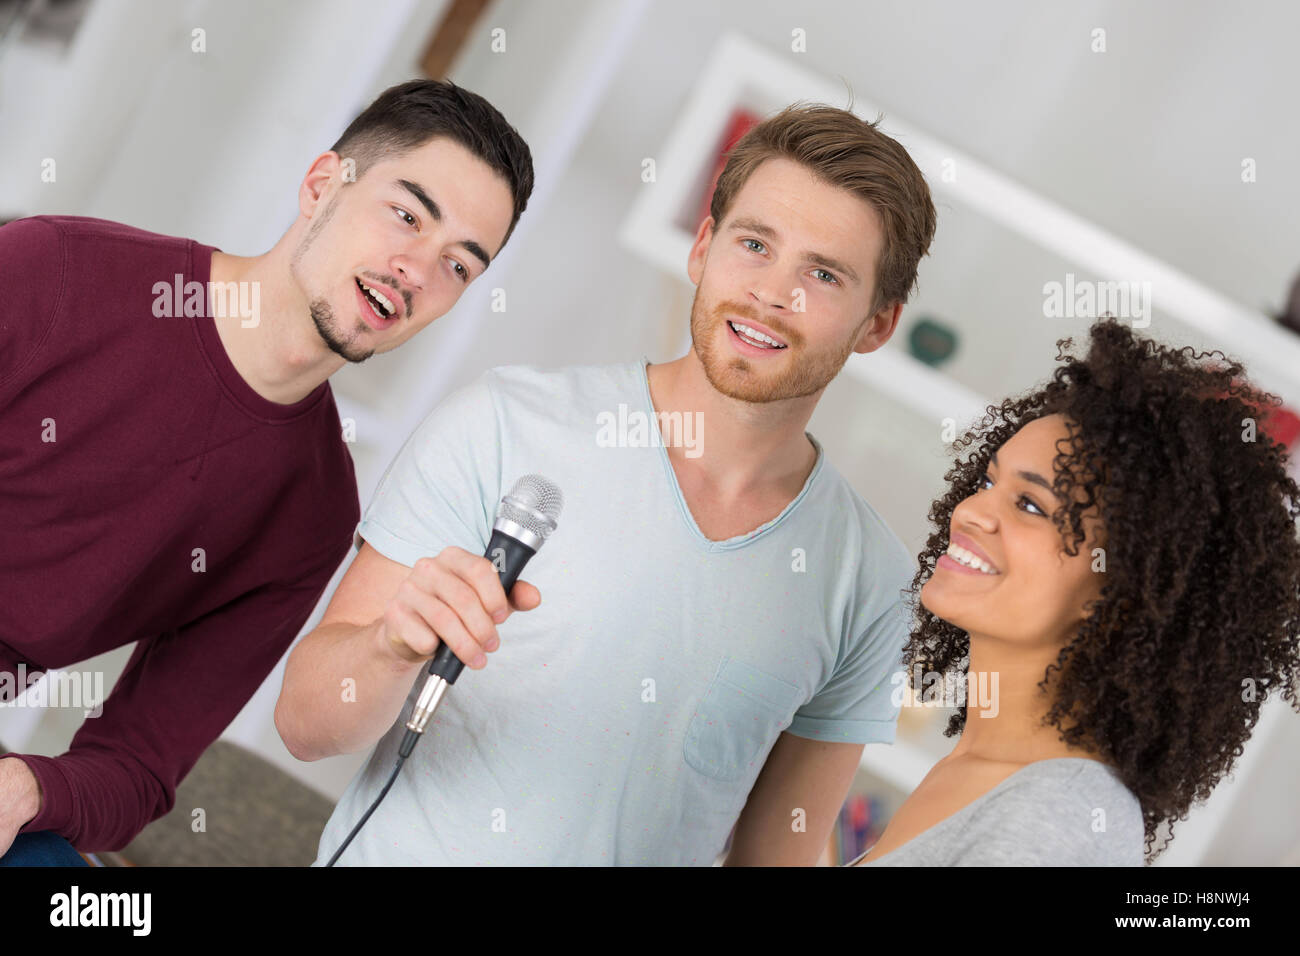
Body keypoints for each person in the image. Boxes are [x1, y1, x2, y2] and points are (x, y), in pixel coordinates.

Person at [275, 102, 939, 866]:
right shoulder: (503, 425)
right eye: (754, 244)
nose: (770, 292)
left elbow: (775, 856)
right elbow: (304, 723)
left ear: (876, 326)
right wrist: (389, 650)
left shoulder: (870, 579)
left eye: (822, 274)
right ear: (702, 247)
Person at [0, 78, 534, 864]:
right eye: (407, 215)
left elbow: (141, 766)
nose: (417, 268)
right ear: (322, 185)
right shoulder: (53, 272)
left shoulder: (310, 514)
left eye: (459, 265)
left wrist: (31, 790)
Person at [853, 317, 1300, 866]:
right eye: (990, 482)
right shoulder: (992, 776)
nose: (971, 513)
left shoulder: (1060, 816)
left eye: (1032, 507)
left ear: (1121, 588)